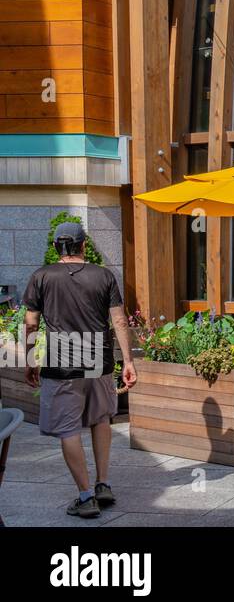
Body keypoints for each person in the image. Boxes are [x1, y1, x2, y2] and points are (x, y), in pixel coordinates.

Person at [23, 222, 136, 519]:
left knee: (68, 428)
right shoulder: (104, 276)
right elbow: (120, 321)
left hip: (62, 365)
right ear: (84, 246)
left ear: (56, 248)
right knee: (100, 420)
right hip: (99, 362)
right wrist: (129, 361)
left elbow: (31, 323)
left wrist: (31, 358)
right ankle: (102, 484)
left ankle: (86, 498)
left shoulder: (41, 276)